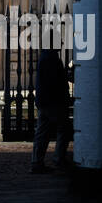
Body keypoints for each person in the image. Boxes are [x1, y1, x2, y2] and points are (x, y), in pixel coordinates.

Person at [31, 46, 72, 174]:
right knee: (64, 128)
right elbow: (55, 81)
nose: (61, 42)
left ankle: (37, 162)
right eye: (59, 40)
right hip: (52, 101)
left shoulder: (47, 56)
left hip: (45, 100)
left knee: (42, 132)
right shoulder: (50, 57)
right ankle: (58, 159)